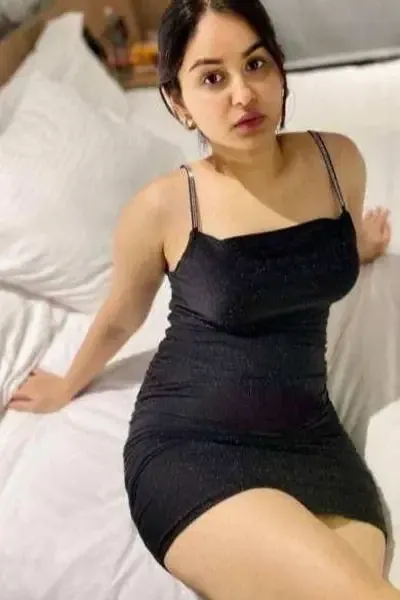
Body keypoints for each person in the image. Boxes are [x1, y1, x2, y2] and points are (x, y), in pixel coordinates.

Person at [8, 1, 396, 599]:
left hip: (311, 436)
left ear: (281, 69)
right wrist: (66, 383)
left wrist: (358, 248)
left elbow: (318, 253)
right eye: (212, 77)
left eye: (256, 64)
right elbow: (121, 316)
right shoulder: (164, 206)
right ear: (177, 100)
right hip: (193, 444)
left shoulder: (337, 162)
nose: (243, 93)